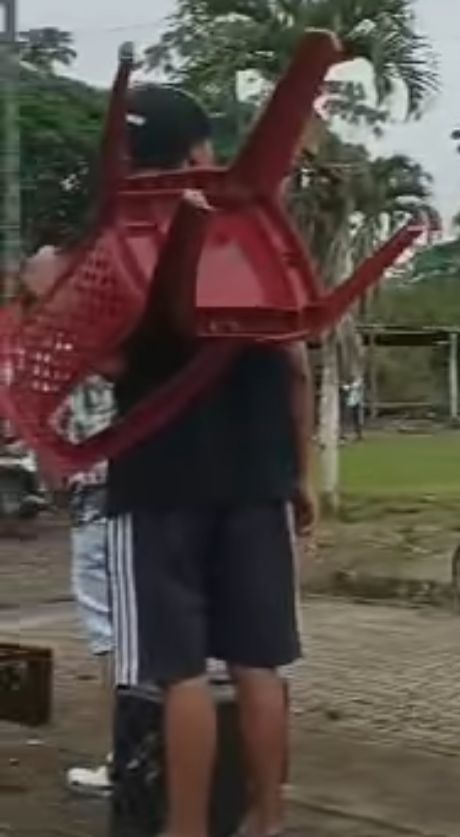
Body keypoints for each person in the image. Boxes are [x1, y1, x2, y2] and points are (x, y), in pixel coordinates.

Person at [102, 85, 314, 837]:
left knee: (181, 671)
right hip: (255, 478)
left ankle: (185, 829)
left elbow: (108, 357)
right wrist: (303, 474)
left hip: (158, 481)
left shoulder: (119, 238)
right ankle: (270, 817)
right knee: (259, 664)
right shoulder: (256, 236)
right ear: (198, 152)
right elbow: (293, 361)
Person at [20, 252, 117, 796]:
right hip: (149, 493)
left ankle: (126, 755)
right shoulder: (120, 325)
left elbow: (50, 446)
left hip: (97, 500)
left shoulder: (53, 342)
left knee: (112, 638)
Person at [342, 375, 364, 441]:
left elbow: (351, 387)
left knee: (357, 420)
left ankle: (358, 434)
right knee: (347, 419)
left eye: (361, 380)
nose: (360, 381)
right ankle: (344, 434)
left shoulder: (357, 386)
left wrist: (345, 386)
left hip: (356, 404)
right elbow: (346, 388)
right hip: (350, 404)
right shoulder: (354, 385)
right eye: (359, 380)